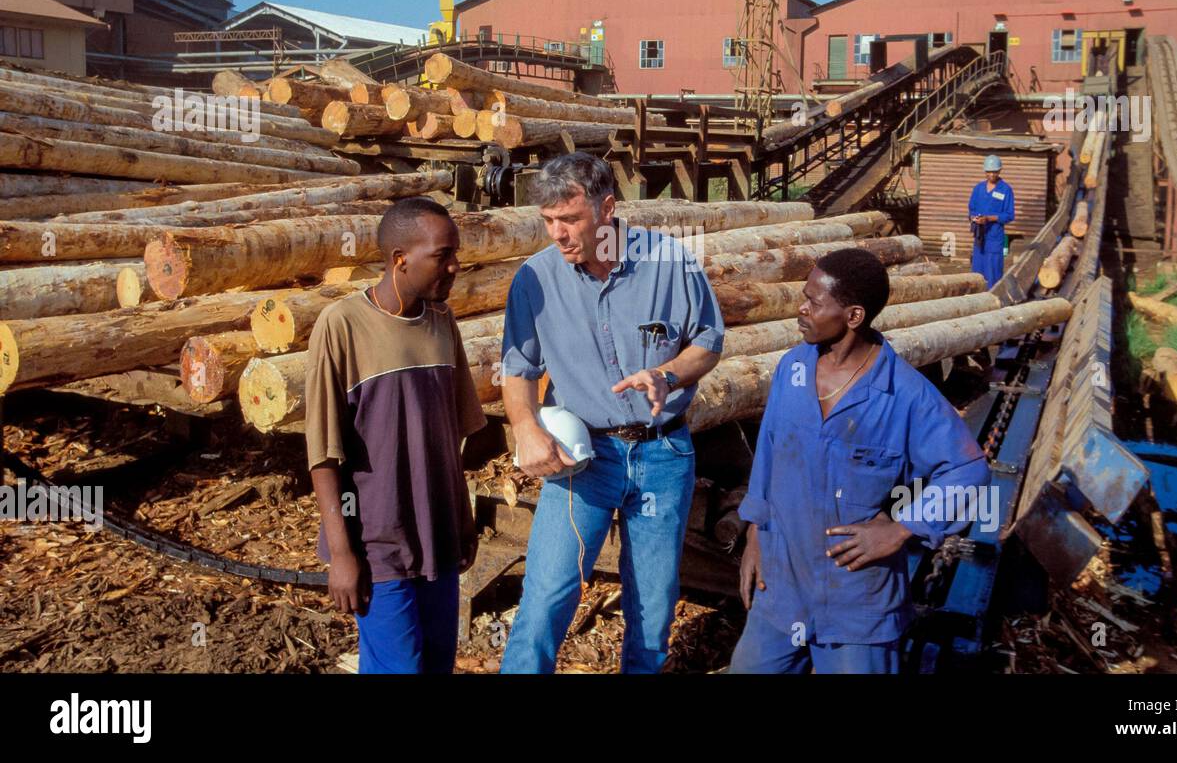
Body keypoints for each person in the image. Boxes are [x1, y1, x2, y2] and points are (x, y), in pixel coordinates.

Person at [499, 152, 724, 674]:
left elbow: (708, 342)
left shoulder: (670, 262)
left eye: (570, 219)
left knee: (652, 601)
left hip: (663, 453)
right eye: (548, 220)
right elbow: (518, 369)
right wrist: (527, 427)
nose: (558, 233)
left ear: (606, 208)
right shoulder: (534, 279)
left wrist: (668, 375)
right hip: (583, 459)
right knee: (548, 595)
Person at [729, 249, 990, 674]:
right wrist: (756, 532)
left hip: (858, 606)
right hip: (782, 590)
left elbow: (968, 470)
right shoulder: (792, 369)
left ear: (852, 316)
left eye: (814, 302)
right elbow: (771, 453)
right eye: (803, 296)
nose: (801, 308)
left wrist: (903, 527)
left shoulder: (904, 395)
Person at [306, 196, 486, 674]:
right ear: (399, 259)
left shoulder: (443, 322)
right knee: (398, 667)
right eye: (442, 255)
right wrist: (342, 553)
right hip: (378, 541)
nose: (454, 266)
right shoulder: (342, 326)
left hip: (439, 534)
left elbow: (454, 437)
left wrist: (463, 522)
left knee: (435, 664)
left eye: (456, 254)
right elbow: (323, 454)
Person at [969, 154, 1015, 287]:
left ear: (1000, 171)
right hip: (979, 237)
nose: (992, 175)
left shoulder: (1005, 190)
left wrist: (989, 218)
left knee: (993, 270)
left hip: (994, 237)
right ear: (984, 171)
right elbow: (971, 208)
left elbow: (1009, 215)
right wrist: (974, 218)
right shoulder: (978, 189)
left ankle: (993, 298)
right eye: (989, 172)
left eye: (995, 171)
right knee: (977, 270)